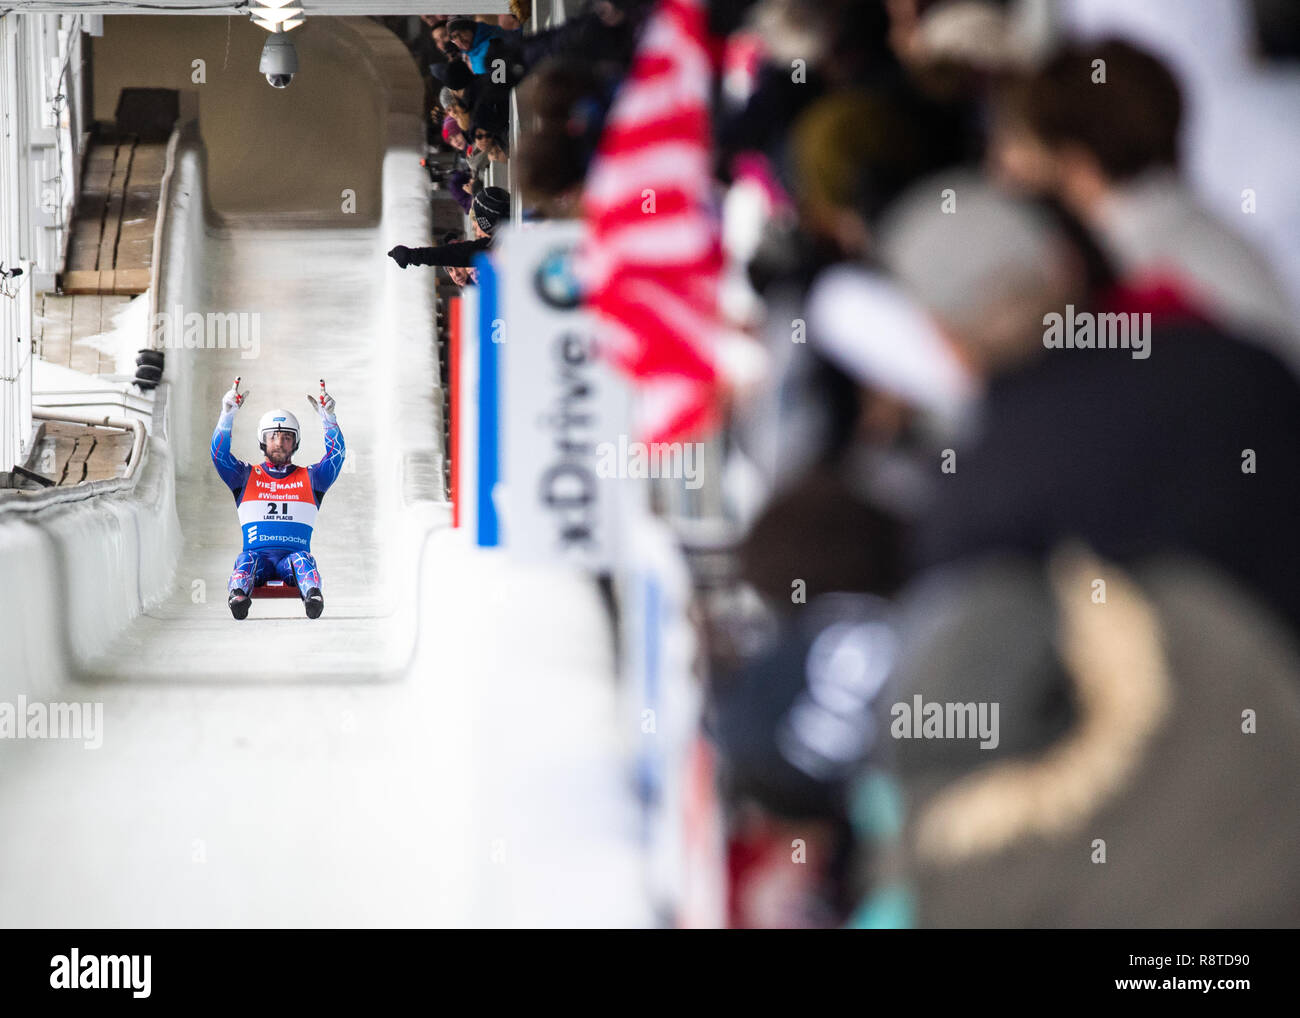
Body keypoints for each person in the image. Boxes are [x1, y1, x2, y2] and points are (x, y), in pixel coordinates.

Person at [211, 379, 346, 620]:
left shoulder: (312, 477)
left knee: (303, 560)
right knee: (245, 560)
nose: (279, 443)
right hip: (258, 559)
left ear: (295, 443)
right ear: (263, 441)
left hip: (292, 560)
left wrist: (329, 420)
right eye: (273, 437)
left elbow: (336, 457)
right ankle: (238, 595)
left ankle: (313, 595)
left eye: (286, 438)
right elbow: (219, 457)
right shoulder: (245, 476)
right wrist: (226, 417)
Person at [388, 185, 511, 286]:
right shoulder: (505, 239)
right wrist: (414, 256)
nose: (478, 233)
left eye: (479, 225)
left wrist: (414, 256)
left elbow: (457, 254)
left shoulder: (500, 245)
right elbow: (455, 254)